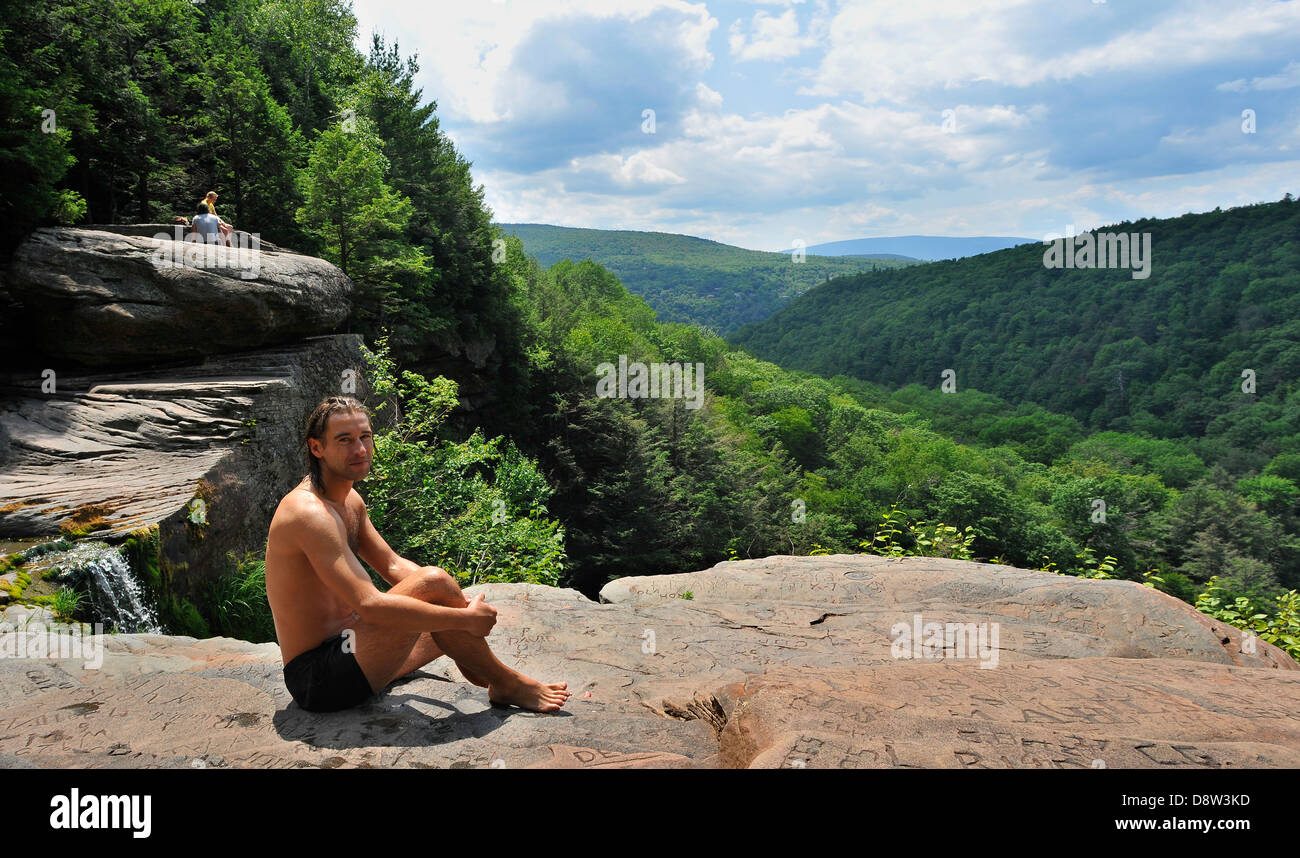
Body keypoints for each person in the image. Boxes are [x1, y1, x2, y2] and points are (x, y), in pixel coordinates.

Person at [264, 395, 571, 714]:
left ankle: (489, 672)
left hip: (360, 650)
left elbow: (393, 564)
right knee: (435, 586)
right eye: (344, 440)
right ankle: (506, 681)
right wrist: (463, 620)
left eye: (365, 437)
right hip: (320, 679)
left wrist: (457, 601)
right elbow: (369, 605)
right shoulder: (309, 514)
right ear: (317, 448)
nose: (360, 450)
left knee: (439, 591)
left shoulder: (350, 501)